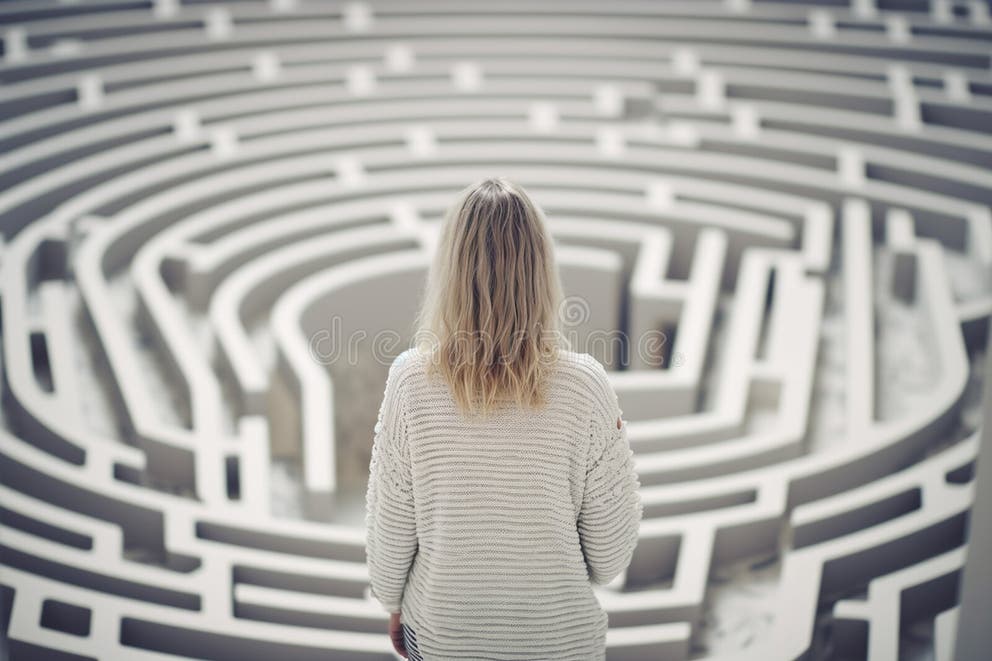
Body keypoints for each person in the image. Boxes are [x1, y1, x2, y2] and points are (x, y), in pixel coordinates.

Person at [364, 177, 643, 660]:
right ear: (541, 271)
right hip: (561, 646)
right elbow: (610, 556)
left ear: (449, 270)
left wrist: (393, 604)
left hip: (443, 641)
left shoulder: (410, 382)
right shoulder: (586, 387)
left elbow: (389, 538)